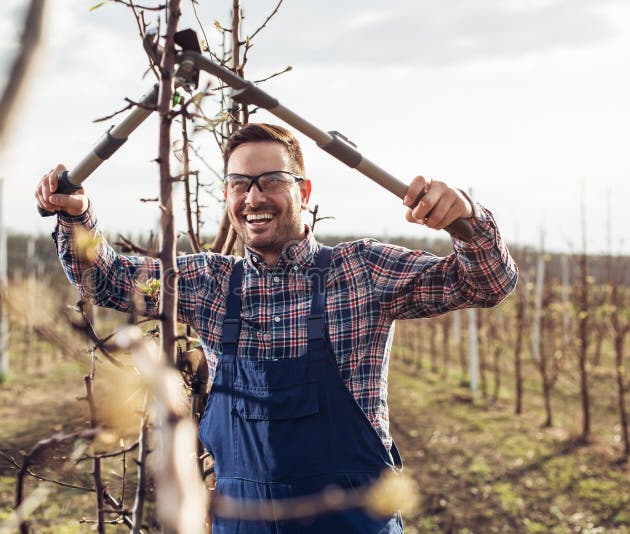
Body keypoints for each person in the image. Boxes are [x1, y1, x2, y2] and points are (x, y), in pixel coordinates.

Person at [35, 123, 518, 533]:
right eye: (240, 184)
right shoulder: (210, 282)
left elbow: (486, 283)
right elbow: (109, 280)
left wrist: (466, 222)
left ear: (304, 192)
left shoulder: (362, 270)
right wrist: (76, 216)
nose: (253, 197)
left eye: (271, 181)